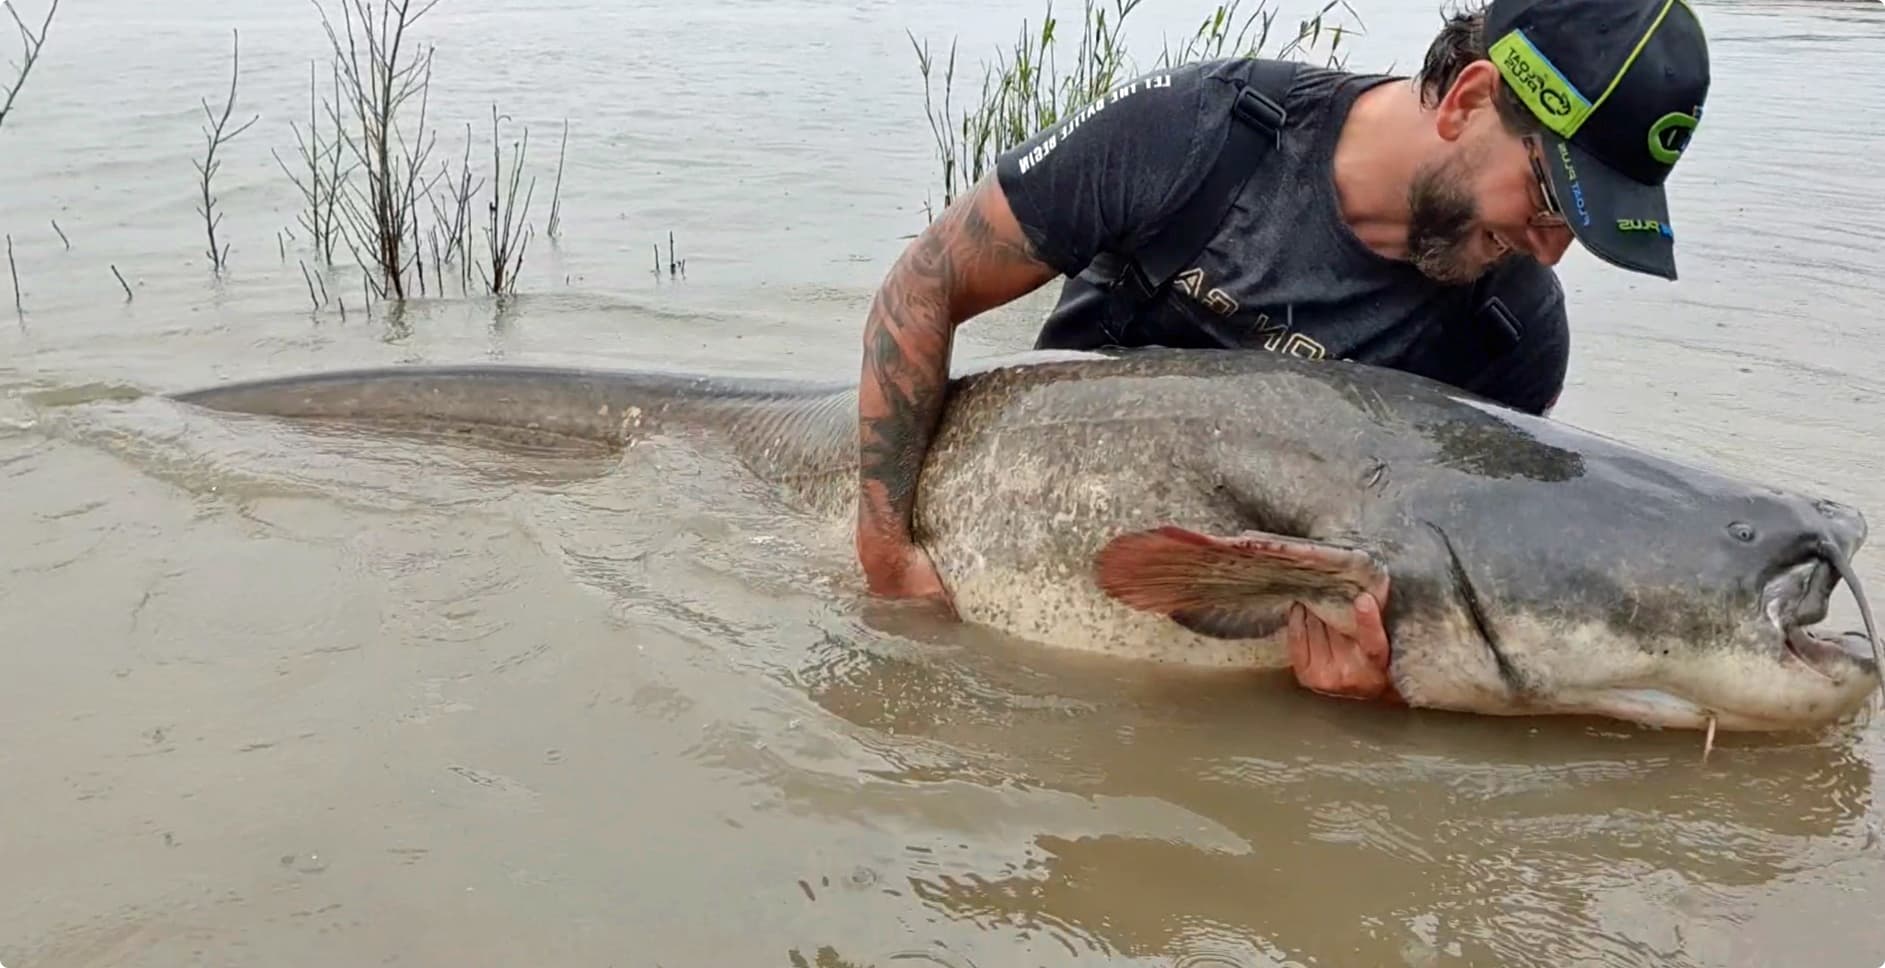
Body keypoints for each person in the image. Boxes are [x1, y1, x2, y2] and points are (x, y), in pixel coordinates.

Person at [852, 0, 1710, 700]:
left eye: (1582, 228)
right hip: (988, 543)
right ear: (1467, 100)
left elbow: (1463, 576)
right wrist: (886, 557)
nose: (1551, 250)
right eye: (1551, 195)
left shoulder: (1513, 336)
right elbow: (923, 288)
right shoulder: (1199, 131)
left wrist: (1375, 689)